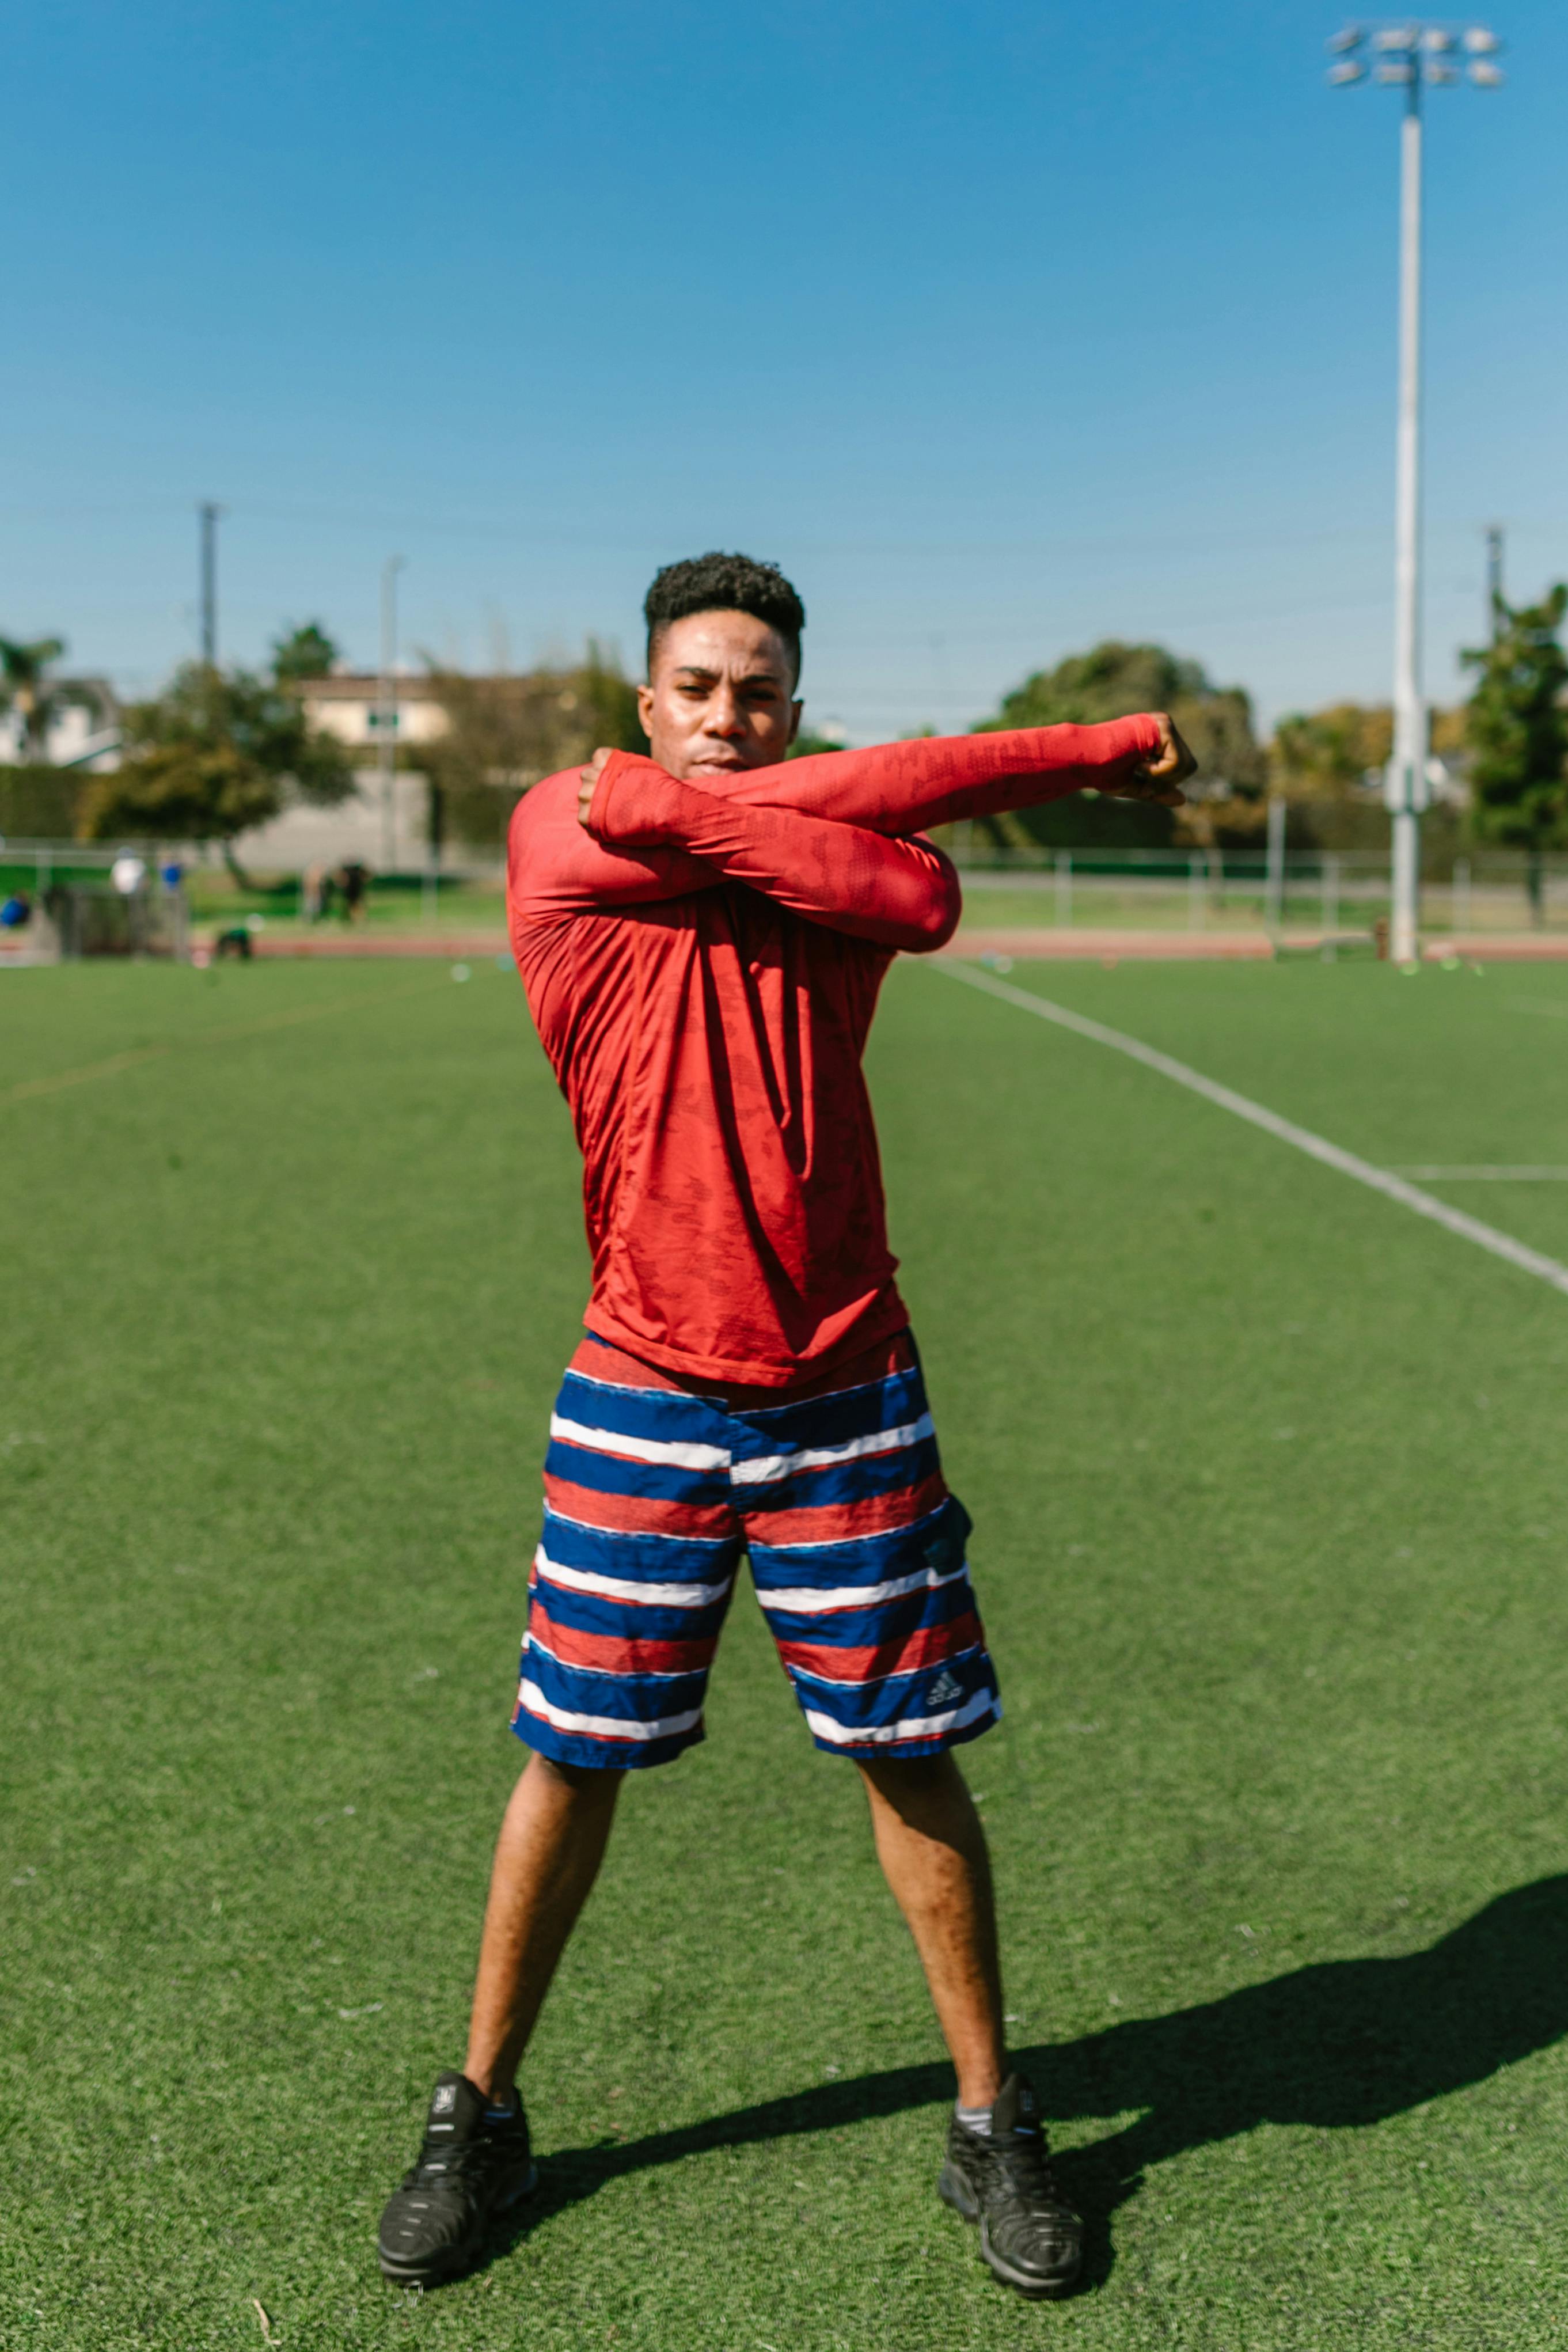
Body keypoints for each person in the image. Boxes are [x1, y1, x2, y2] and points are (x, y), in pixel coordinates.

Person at [377, 553, 1194, 2300]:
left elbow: (919, 892)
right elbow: (861, 837)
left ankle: (990, 2121)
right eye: (696, 689)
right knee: (569, 1754)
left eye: (758, 693)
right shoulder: (559, 836)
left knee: (910, 1750)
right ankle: (480, 2107)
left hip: (843, 1383)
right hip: (639, 1381)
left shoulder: (814, 869)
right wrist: (1083, 750)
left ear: (791, 712)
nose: (726, 718)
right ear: (645, 699)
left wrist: (747, 808)